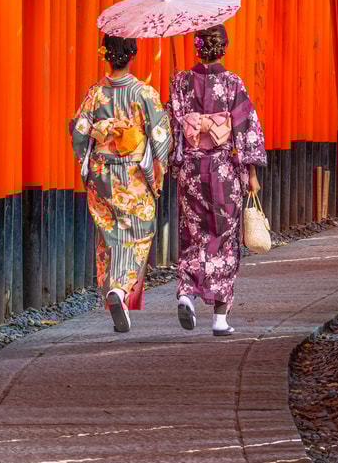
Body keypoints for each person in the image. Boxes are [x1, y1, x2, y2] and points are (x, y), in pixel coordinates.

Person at [167, 24, 266, 336]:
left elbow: (171, 126)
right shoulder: (232, 82)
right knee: (223, 238)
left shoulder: (180, 81)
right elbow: (247, 128)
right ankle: (220, 317)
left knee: (192, 232)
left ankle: (186, 293)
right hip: (223, 169)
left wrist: (176, 161)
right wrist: (250, 173)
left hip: (192, 170)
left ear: (198, 47)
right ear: (224, 47)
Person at [69, 34, 172, 333]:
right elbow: (160, 137)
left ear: (106, 55)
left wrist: (88, 162)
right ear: (133, 54)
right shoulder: (145, 94)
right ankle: (120, 289)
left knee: (109, 232)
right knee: (139, 232)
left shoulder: (95, 94)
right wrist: (159, 168)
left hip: (102, 172)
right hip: (134, 174)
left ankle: (113, 292)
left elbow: (79, 132)